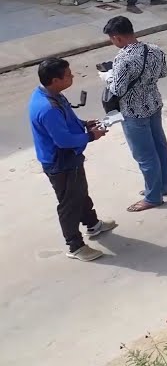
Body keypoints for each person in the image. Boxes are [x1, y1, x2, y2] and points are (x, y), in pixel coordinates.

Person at [30, 58, 117, 262]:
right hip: (61, 162)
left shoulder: (52, 94)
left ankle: (93, 224)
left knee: (80, 192)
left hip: (70, 158)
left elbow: (68, 118)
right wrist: (91, 136)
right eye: (68, 75)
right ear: (55, 80)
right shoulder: (48, 108)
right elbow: (64, 141)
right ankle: (75, 246)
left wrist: (85, 124)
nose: (72, 76)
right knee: (69, 203)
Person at [103, 16, 167, 212]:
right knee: (160, 148)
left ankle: (153, 197)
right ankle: (163, 186)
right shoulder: (155, 50)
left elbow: (116, 88)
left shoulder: (123, 59)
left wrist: (106, 77)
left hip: (134, 112)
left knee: (144, 155)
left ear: (117, 38)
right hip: (154, 104)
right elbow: (163, 73)